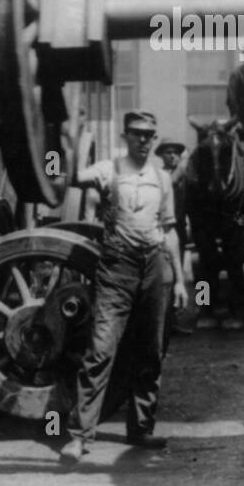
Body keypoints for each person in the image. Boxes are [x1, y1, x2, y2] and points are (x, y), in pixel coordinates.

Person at [60, 111, 189, 463]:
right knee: (100, 350)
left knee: (150, 351)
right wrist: (69, 143)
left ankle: (141, 429)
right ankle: (78, 436)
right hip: (117, 267)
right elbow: (70, 177)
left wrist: (178, 279)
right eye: (137, 134)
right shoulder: (108, 169)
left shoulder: (162, 178)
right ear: (125, 136)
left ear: (154, 138)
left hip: (154, 266)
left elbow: (171, 229)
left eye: (149, 135)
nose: (143, 141)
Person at [155, 139, 193, 337]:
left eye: (176, 153)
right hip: (162, 230)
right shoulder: (162, 176)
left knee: (177, 276)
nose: (172, 156)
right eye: (168, 152)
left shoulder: (186, 177)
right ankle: (163, 324)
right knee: (165, 276)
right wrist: (186, 160)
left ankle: (173, 320)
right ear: (161, 155)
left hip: (178, 229)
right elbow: (174, 180)